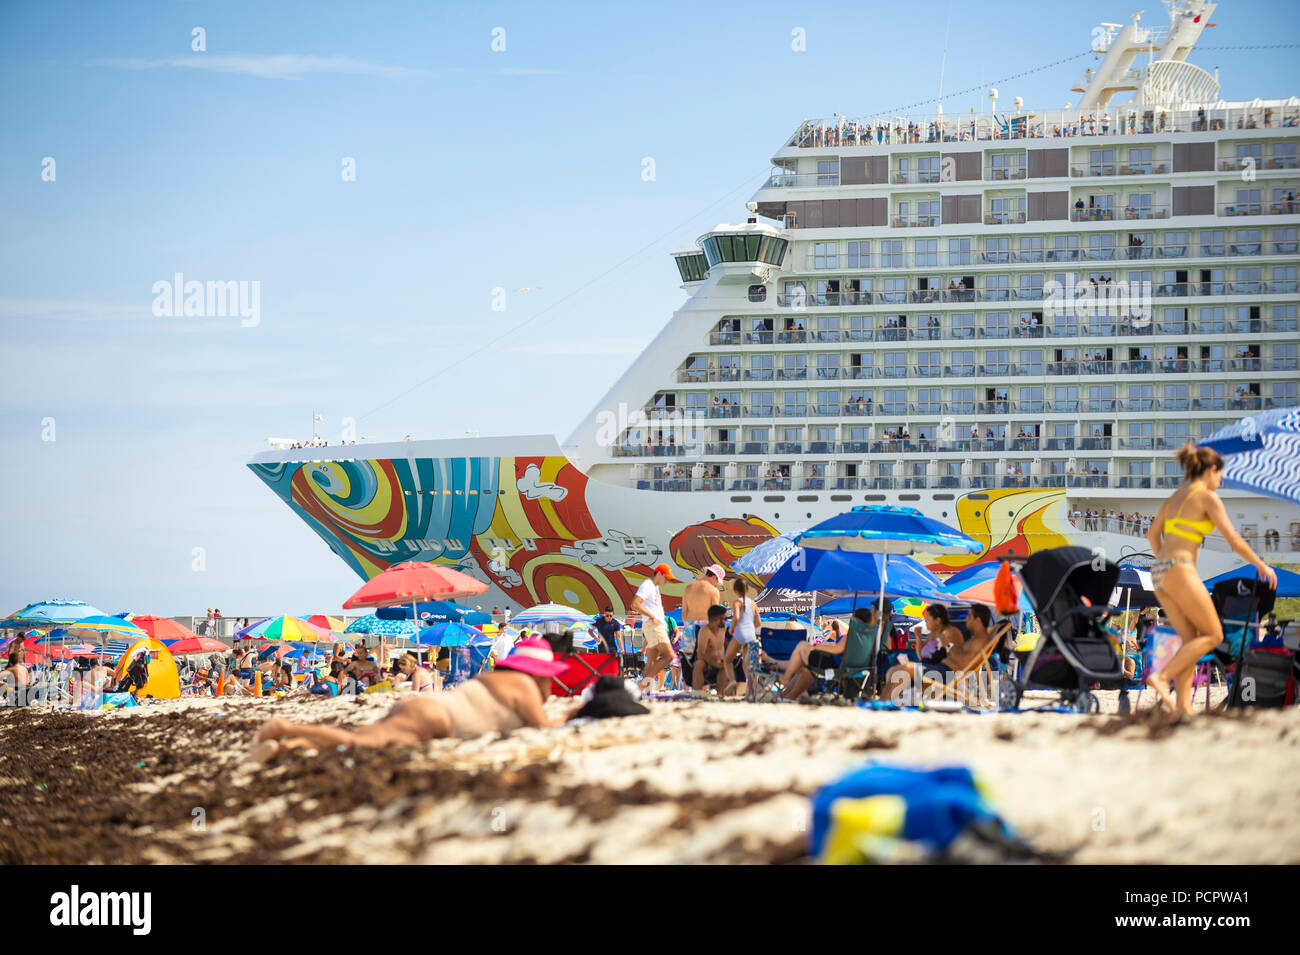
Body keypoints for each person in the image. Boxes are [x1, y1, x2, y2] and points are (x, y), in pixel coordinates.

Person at [247, 638, 579, 762]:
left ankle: (288, 747)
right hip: (435, 717)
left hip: (429, 712)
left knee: (361, 742)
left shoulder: (501, 679)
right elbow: (544, 725)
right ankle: (284, 727)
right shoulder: (523, 686)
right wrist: (576, 711)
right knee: (358, 742)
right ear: (538, 672)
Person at [1144, 444, 1276, 716]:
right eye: (1220, 475)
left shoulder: (1176, 495)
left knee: (1189, 639)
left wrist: (1165, 563)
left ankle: (1183, 707)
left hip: (1159, 572)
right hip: (1181, 569)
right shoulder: (1207, 497)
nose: (1220, 481)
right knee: (1213, 634)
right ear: (1212, 469)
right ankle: (1161, 676)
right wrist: (1261, 565)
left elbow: (1151, 535)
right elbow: (1234, 541)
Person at [885, 605, 1001, 702]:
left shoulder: (977, 640)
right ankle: (886, 702)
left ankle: (883, 702)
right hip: (938, 669)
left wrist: (947, 644)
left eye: (969, 617)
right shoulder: (972, 639)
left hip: (946, 673)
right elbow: (923, 656)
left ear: (978, 620)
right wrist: (919, 638)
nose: (966, 620)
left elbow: (962, 663)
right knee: (893, 671)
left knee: (905, 669)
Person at [781, 607, 883, 700]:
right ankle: (786, 695)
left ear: (858, 620)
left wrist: (818, 646)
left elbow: (837, 650)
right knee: (805, 667)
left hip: (836, 667)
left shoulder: (853, 635)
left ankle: (786, 680)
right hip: (852, 667)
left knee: (802, 646)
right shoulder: (869, 638)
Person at [631, 563, 678, 693]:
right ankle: (642, 684)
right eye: (666, 578)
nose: (667, 581)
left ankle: (645, 691)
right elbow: (635, 604)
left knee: (651, 661)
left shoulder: (654, 587)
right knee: (669, 655)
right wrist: (652, 616)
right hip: (654, 625)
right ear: (658, 573)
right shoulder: (648, 585)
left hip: (653, 626)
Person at [719, 576, 762, 696]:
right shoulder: (753, 604)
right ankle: (751, 689)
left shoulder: (737, 602)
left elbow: (737, 617)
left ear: (735, 590)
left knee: (727, 660)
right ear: (747, 589)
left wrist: (732, 628)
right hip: (751, 634)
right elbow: (759, 622)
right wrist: (750, 627)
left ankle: (732, 680)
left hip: (740, 633)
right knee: (747, 663)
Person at [681, 564, 724, 666]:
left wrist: (688, 625)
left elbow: (684, 612)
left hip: (689, 626)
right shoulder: (713, 591)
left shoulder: (688, 588)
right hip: (705, 627)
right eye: (717, 581)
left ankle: (687, 682)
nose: (716, 584)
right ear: (714, 577)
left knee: (687, 662)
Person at [691, 605, 730, 692]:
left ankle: (721, 694)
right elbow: (700, 653)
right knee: (698, 664)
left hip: (720, 660)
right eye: (725, 618)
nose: (725, 621)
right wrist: (714, 663)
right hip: (707, 663)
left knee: (725, 665)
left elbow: (724, 642)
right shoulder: (705, 631)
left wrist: (731, 653)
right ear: (716, 619)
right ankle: (697, 692)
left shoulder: (723, 628)